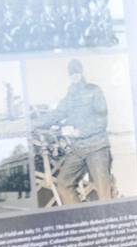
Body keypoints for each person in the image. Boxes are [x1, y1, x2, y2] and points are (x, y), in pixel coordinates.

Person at [40, 58, 112, 204]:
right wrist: (34, 124)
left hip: (97, 147)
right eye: (72, 74)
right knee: (63, 183)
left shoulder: (94, 90)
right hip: (78, 149)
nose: (74, 76)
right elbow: (57, 113)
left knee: (104, 192)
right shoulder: (70, 95)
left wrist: (80, 131)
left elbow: (101, 120)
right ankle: (81, 218)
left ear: (81, 73)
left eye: (76, 73)